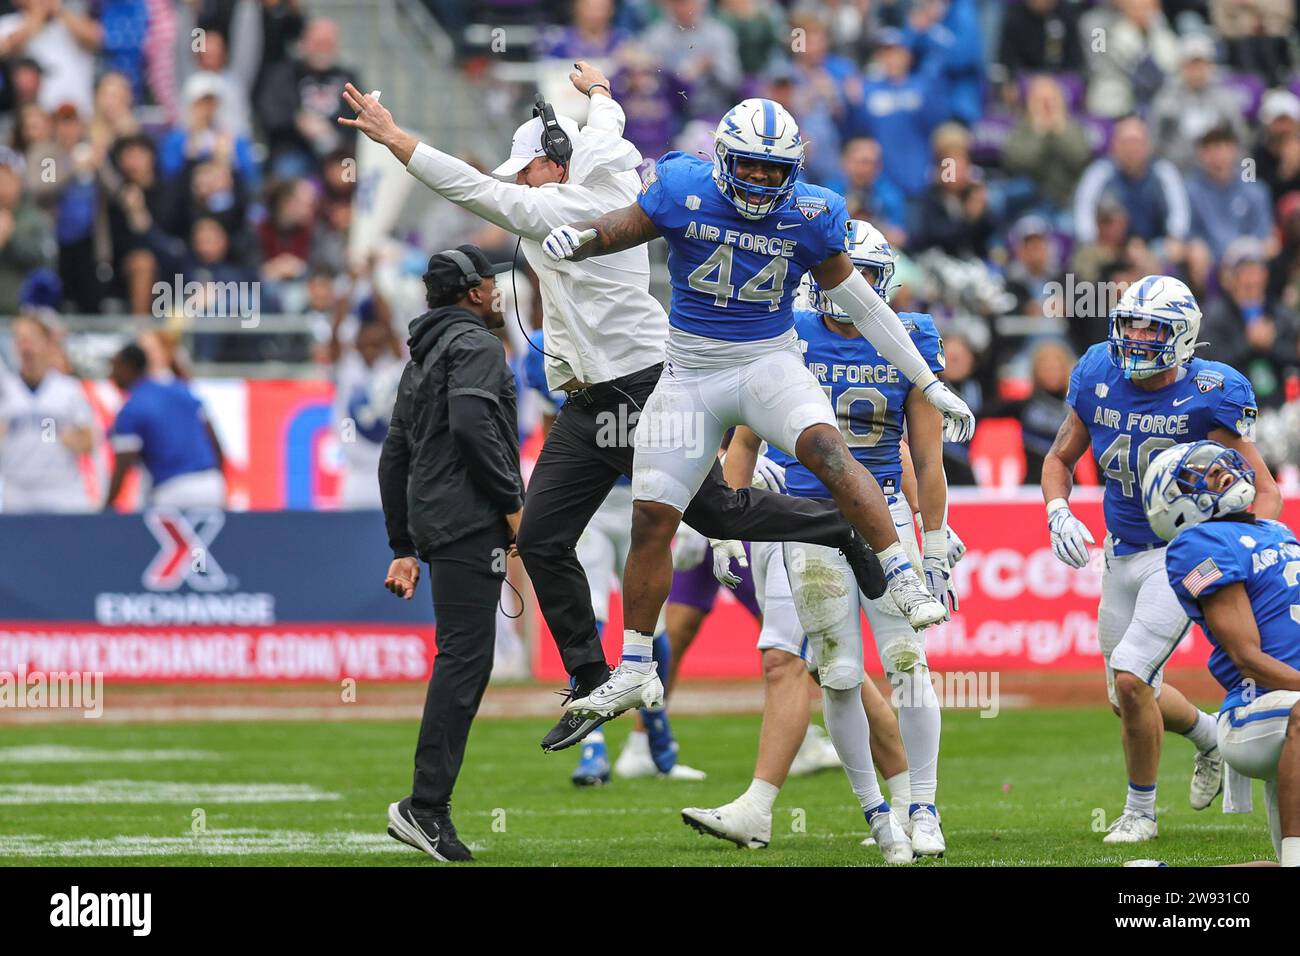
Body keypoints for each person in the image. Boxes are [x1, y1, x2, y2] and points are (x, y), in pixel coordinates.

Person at [341, 65, 892, 757]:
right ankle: (592, 676)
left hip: (640, 384)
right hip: (589, 399)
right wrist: (601, 93)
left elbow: (470, 188)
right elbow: (609, 126)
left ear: (556, 163)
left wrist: (396, 140)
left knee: (716, 514)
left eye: (529, 170)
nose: (520, 182)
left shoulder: (559, 209)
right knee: (540, 537)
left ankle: (841, 527)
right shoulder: (596, 169)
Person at [543, 98, 974, 732]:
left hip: (768, 362)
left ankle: (899, 571)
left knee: (828, 450)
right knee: (653, 515)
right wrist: (581, 239)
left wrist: (926, 380)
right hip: (688, 371)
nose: (765, 181)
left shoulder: (811, 213)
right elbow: (628, 225)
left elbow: (865, 304)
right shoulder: (685, 187)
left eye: (777, 170)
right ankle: (635, 665)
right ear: (723, 159)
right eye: (753, 167)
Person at [681, 222, 958, 862]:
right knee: (835, 673)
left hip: (883, 517)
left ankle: (924, 804)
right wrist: (724, 531)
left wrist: (937, 538)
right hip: (806, 520)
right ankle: (880, 817)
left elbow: (927, 456)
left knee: (909, 665)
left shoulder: (909, 338)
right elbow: (745, 437)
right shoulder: (792, 334)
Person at [1041, 274, 1281, 844]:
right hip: (1120, 552)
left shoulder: (1211, 391)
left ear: (1183, 335)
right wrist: (1057, 510)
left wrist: (1255, 544)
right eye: (1130, 324)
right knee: (1125, 696)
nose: (1137, 338)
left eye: (1152, 328)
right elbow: (1059, 458)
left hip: (1182, 552)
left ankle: (1140, 812)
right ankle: (1209, 740)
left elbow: (1263, 485)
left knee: (1130, 677)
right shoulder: (1098, 371)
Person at [379, 245, 523, 863]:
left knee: (464, 657)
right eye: (488, 283)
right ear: (470, 291)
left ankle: (427, 803)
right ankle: (425, 807)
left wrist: (403, 546)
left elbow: (394, 453)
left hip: (439, 522)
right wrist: (514, 503)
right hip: (469, 521)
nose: (495, 292)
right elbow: (471, 427)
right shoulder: (476, 347)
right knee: (466, 659)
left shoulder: (424, 355)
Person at [1143, 440, 1300, 867]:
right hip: (1258, 707)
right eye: (1206, 475)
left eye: (1221, 468)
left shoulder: (1276, 531)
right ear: (1174, 502)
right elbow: (1247, 657)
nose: (1223, 475)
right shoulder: (1199, 542)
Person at [105, 342, 226, 509]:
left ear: (128, 368)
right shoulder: (181, 390)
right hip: (212, 484)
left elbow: (123, 465)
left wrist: (106, 506)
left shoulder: (131, 409)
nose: (111, 375)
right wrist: (218, 477)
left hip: (172, 490)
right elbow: (214, 440)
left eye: (115, 367)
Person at [0, 314, 93, 512]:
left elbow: (89, 442)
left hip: (61, 491)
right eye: (20, 340)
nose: (26, 347)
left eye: (31, 339)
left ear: (47, 343)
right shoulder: (5, 389)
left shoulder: (68, 390)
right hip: (16, 492)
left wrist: (71, 439)